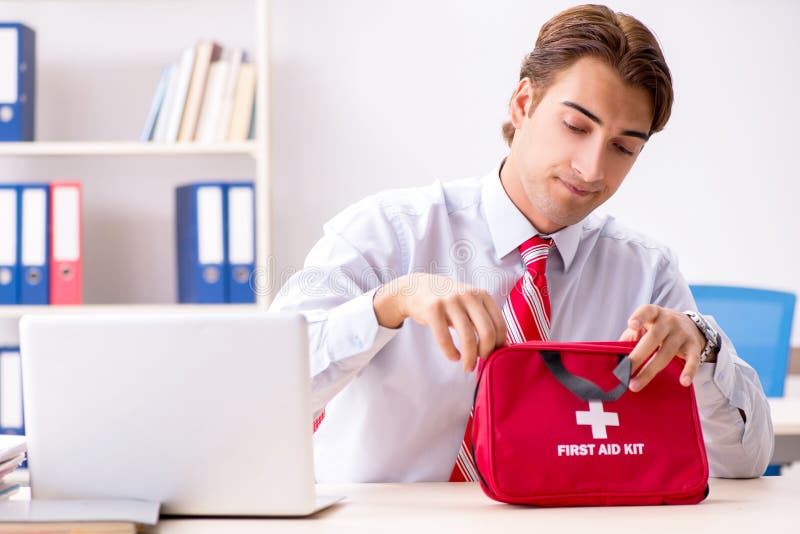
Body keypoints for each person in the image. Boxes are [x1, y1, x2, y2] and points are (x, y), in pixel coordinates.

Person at [270, 4, 773, 482]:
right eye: (576, 126)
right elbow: (264, 395)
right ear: (523, 103)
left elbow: (745, 464)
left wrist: (704, 350)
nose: (592, 168)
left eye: (623, 147)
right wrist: (387, 304)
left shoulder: (646, 272)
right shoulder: (385, 231)